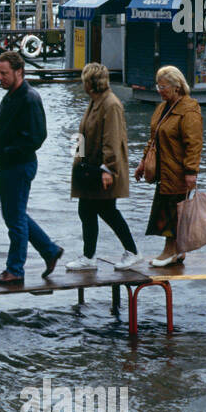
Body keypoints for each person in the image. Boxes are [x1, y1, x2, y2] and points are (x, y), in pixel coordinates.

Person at [0, 51, 63, 283]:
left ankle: (15, 270)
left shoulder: (29, 97)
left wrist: (9, 151)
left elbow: (37, 136)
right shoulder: (12, 94)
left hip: (19, 165)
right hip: (8, 164)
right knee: (14, 215)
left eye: (4, 73)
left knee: (15, 218)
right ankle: (49, 250)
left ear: (19, 71)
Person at [65, 62, 140, 271]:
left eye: (84, 81)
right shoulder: (95, 101)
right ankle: (89, 257)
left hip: (102, 170)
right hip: (88, 168)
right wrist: (76, 160)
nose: (82, 84)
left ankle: (132, 252)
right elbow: (81, 133)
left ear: (90, 83)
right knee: (86, 211)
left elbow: (112, 139)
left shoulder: (110, 104)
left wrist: (109, 169)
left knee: (107, 211)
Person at [136, 65, 203, 265]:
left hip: (178, 170)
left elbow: (194, 143)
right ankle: (177, 251)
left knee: (173, 211)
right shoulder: (161, 108)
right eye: (158, 86)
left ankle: (169, 251)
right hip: (163, 171)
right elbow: (153, 138)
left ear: (176, 86)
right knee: (166, 208)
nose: (159, 90)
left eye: (163, 86)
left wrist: (191, 171)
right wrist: (143, 161)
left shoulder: (189, 110)